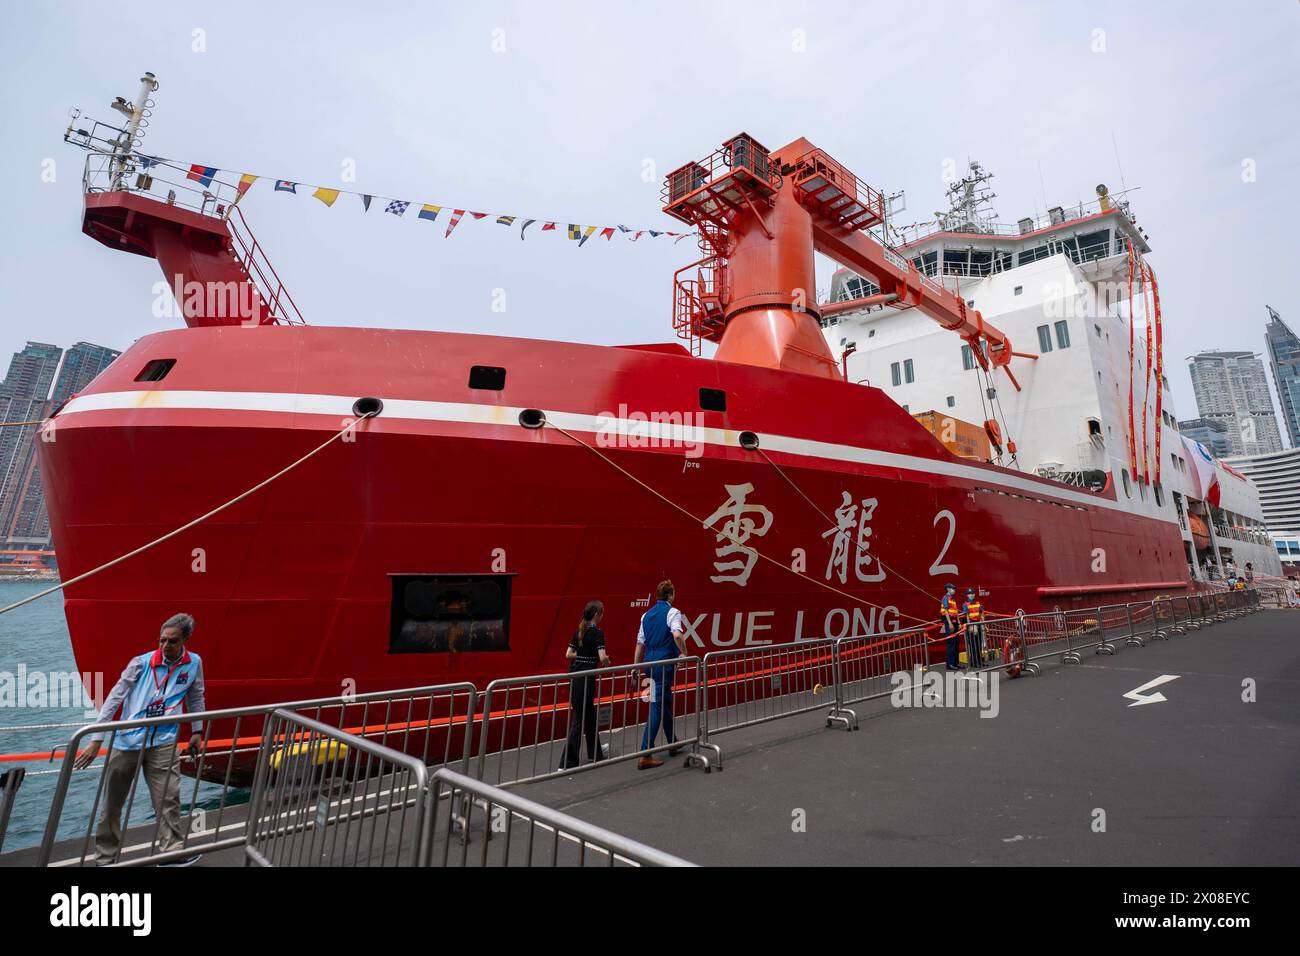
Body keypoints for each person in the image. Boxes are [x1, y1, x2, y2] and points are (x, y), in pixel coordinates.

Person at [75, 613, 206, 866]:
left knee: (169, 800)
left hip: (164, 742)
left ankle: (171, 853)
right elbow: (114, 697)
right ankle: (105, 860)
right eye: (162, 640)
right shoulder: (141, 663)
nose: (165, 646)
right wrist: (97, 738)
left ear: (186, 640)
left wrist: (197, 731)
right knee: (113, 805)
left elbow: (196, 696)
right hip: (128, 743)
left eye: (172, 641)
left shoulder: (194, 663)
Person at [632, 580, 687, 769]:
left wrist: (635, 667)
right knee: (657, 706)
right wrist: (684, 653)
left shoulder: (645, 615)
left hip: (649, 664)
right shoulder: (673, 613)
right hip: (664, 665)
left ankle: (672, 742)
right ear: (670, 595)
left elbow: (640, 644)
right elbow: (677, 635)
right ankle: (646, 752)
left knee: (663, 702)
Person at [560, 600, 611, 770]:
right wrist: (606, 661)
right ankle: (567, 761)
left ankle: (595, 752)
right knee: (580, 719)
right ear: (596, 615)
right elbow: (602, 656)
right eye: (602, 614)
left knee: (588, 714)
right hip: (587, 678)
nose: (603, 617)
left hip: (576, 676)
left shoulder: (579, 632)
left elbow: (569, 654)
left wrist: (582, 657)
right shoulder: (597, 633)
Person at [940, 583, 962, 671]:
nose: (954, 590)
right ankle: (950, 664)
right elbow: (945, 611)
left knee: (956, 643)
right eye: (953, 588)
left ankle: (956, 663)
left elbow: (955, 612)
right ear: (948, 589)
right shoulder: (945, 599)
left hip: (955, 622)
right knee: (951, 643)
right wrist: (949, 623)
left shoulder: (952, 599)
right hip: (950, 622)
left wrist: (959, 623)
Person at [962, 588, 985, 668]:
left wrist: (983, 624)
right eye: (969, 594)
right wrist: (970, 626)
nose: (971, 595)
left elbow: (981, 614)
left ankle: (979, 661)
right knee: (973, 644)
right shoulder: (965, 604)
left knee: (978, 643)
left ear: (974, 594)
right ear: (967, 595)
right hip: (971, 624)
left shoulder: (978, 603)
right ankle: (975, 662)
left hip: (978, 623)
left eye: (972, 593)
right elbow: (967, 616)